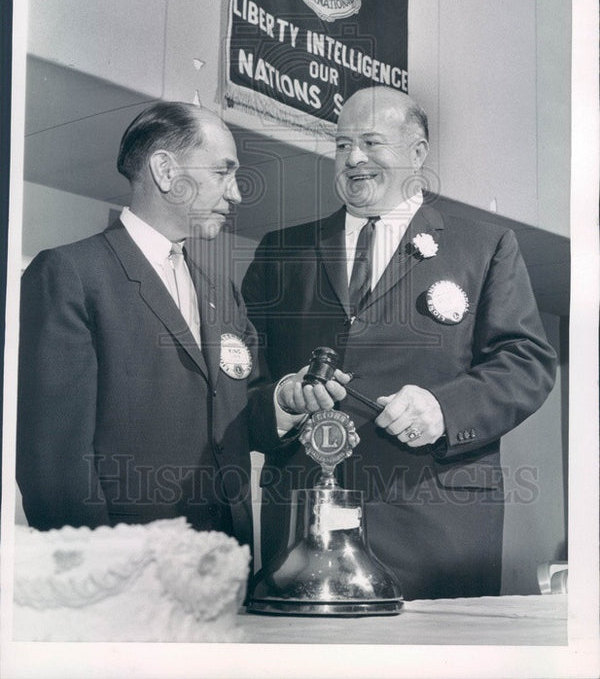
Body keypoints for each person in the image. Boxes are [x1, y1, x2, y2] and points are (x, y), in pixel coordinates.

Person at [242, 85, 557, 598]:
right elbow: (246, 380)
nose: (353, 158)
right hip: (303, 528)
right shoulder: (282, 250)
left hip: (436, 525)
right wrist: (282, 399)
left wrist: (443, 409)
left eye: (371, 142)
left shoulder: (484, 247)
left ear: (417, 152)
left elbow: (527, 362)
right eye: (342, 145)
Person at [17, 101, 345, 544]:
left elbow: (239, 412)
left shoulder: (222, 293)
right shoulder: (71, 274)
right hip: (130, 572)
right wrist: (96, 575)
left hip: (227, 562)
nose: (237, 194)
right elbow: (53, 461)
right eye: (222, 173)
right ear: (165, 171)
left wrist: (285, 402)